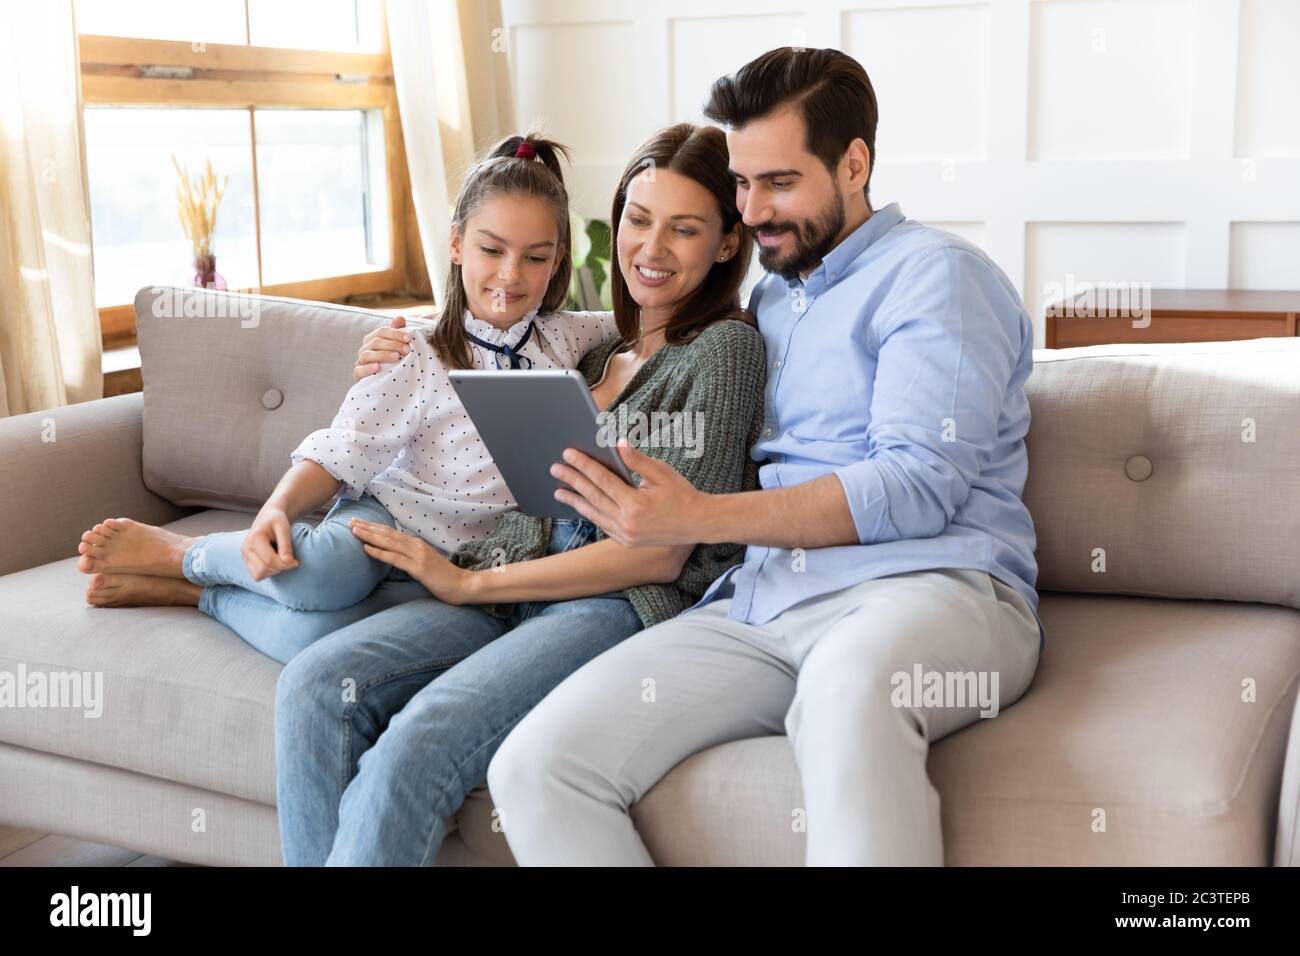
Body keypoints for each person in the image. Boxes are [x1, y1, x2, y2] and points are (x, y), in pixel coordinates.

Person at [483, 47, 1044, 866]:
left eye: (778, 182)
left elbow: (917, 485)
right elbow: (628, 341)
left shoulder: (936, 277)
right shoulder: (774, 297)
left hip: (932, 588)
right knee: (538, 766)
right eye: (742, 184)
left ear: (854, 164)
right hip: (764, 598)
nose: (752, 211)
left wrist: (700, 515)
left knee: (847, 693)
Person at [272, 122, 767, 865]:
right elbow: (489, 316)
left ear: (727, 244)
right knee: (316, 684)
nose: (650, 250)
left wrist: (472, 583)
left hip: (610, 604)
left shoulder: (725, 352)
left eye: (684, 230)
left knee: (421, 738)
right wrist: (391, 339)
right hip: (515, 587)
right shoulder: (595, 347)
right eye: (637, 220)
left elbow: (659, 559)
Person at [74, 133, 613, 663]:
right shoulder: (412, 349)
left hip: (452, 562)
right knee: (320, 577)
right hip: (385, 519)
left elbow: (657, 320)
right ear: (455, 244)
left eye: (535, 257)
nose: (510, 275)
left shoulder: (566, 335)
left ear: (558, 257)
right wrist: (275, 509)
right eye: (491, 249)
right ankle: (182, 555)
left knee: (316, 643)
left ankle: (200, 596)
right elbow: (341, 450)